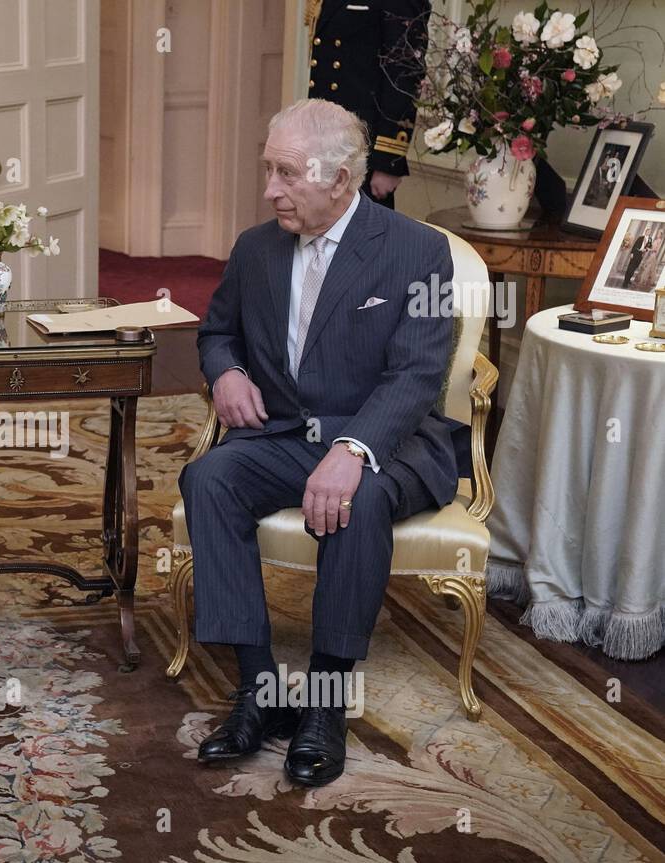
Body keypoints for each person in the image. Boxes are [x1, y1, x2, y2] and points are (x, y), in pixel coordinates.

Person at [179, 98, 463, 787]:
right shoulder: (257, 248)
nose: (270, 189)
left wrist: (354, 449)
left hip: (389, 441)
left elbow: (418, 373)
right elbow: (218, 333)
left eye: (286, 174)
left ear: (341, 180)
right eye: (267, 170)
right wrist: (229, 372)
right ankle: (260, 693)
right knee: (208, 477)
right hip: (285, 433)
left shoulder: (416, 251)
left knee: (357, 502)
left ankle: (327, 706)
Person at [306, 0, 430, 209]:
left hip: (365, 148)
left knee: (362, 234)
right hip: (326, 142)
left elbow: (402, 79)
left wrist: (389, 161)